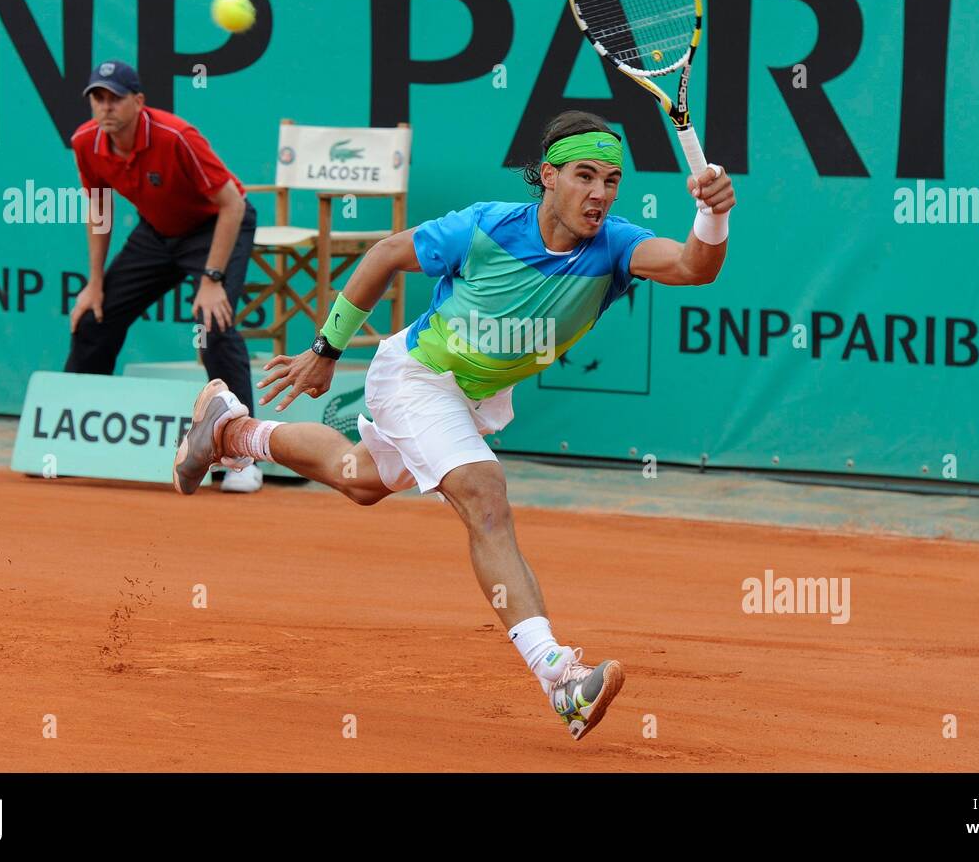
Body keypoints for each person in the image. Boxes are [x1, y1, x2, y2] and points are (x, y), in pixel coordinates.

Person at [172, 110, 735, 738]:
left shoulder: (618, 247)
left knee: (359, 478)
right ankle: (560, 678)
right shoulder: (484, 227)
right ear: (548, 176)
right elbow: (385, 253)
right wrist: (327, 349)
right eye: (583, 176)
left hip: (470, 398)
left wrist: (713, 214)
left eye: (611, 180)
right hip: (417, 376)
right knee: (484, 496)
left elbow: (694, 266)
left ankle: (231, 432)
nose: (599, 194)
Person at [67, 60, 263, 492]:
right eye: (98, 98)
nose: (105, 107)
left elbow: (232, 204)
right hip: (157, 232)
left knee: (213, 325)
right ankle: (71, 437)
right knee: (95, 316)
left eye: (115, 98)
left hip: (215, 226)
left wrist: (211, 279)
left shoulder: (176, 137)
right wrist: (95, 283)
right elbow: (99, 208)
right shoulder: (86, 142)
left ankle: (240, 456)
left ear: (138, 102)